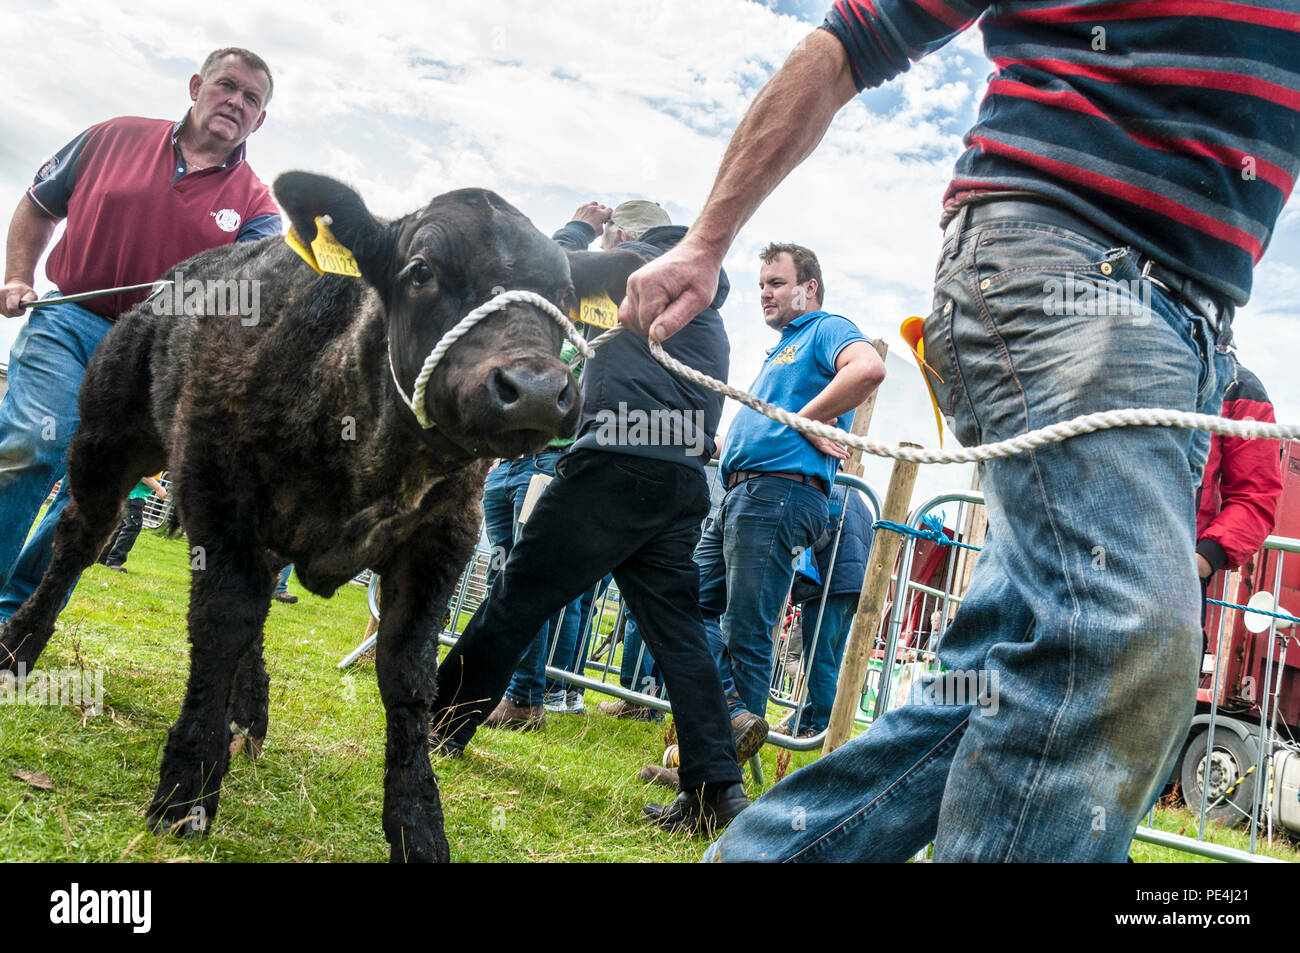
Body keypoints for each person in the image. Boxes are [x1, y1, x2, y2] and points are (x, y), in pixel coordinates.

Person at [620, 4, 1296, 862]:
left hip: (1194, 330)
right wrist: (705, 240)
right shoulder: (816, 336)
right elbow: (856, 38)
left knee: (995, 672)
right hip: (1063, 264)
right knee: (1121, 636)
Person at [429, 199, 751, 834]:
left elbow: (526, 274)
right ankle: (717, 792)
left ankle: (437, 724)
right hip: (678, 479)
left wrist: (580, 230)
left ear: (626, 237)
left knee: (516, 597)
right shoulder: (707, 309)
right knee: (680, 638)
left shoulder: (634, 271)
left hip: (613, 468)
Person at [0, 48, 280, 621]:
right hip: (72, 321)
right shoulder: (112, 137)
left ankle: (16, 620)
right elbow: (38, 205)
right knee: (30, 445)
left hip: (156, 358)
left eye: (252, 99)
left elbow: (252, 294)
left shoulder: (258, 207)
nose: (237, 102)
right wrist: (15, 276)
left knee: (95, 491)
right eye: (227, 86)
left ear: (261, 119)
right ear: (197, 85)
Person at [693, 243, 884, 748]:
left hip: (777, 494)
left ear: (809, 288)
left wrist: (813, 417)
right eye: (761, 285)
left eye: (776, 283)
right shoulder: (782, 348)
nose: (764, 294)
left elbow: (867, 368)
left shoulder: (827, 328)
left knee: (745, 631)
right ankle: (729, 719)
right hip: (740, 495)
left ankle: (720, 778)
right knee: (680, 601)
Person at [1196, 359, 1283, 635]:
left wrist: (1202, 561)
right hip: (1079, 574)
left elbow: (1254, 496)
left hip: (1175, 585)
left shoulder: (1238, 387)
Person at [778, 483, 873, 738]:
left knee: (818, 659)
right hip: (852, 587)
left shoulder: (830, 492)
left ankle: (823, 727)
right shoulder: (862, 502)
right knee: (828, 658)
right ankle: (801, 721)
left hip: (829, 584)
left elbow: (817, 534)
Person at [98, 474, 168, 571]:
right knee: (133, 526)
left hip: (134, 494)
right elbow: (143, 474)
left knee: (121, 527)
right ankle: (115, 561)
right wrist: (158, 488)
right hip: (134, 495)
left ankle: (103, 557)